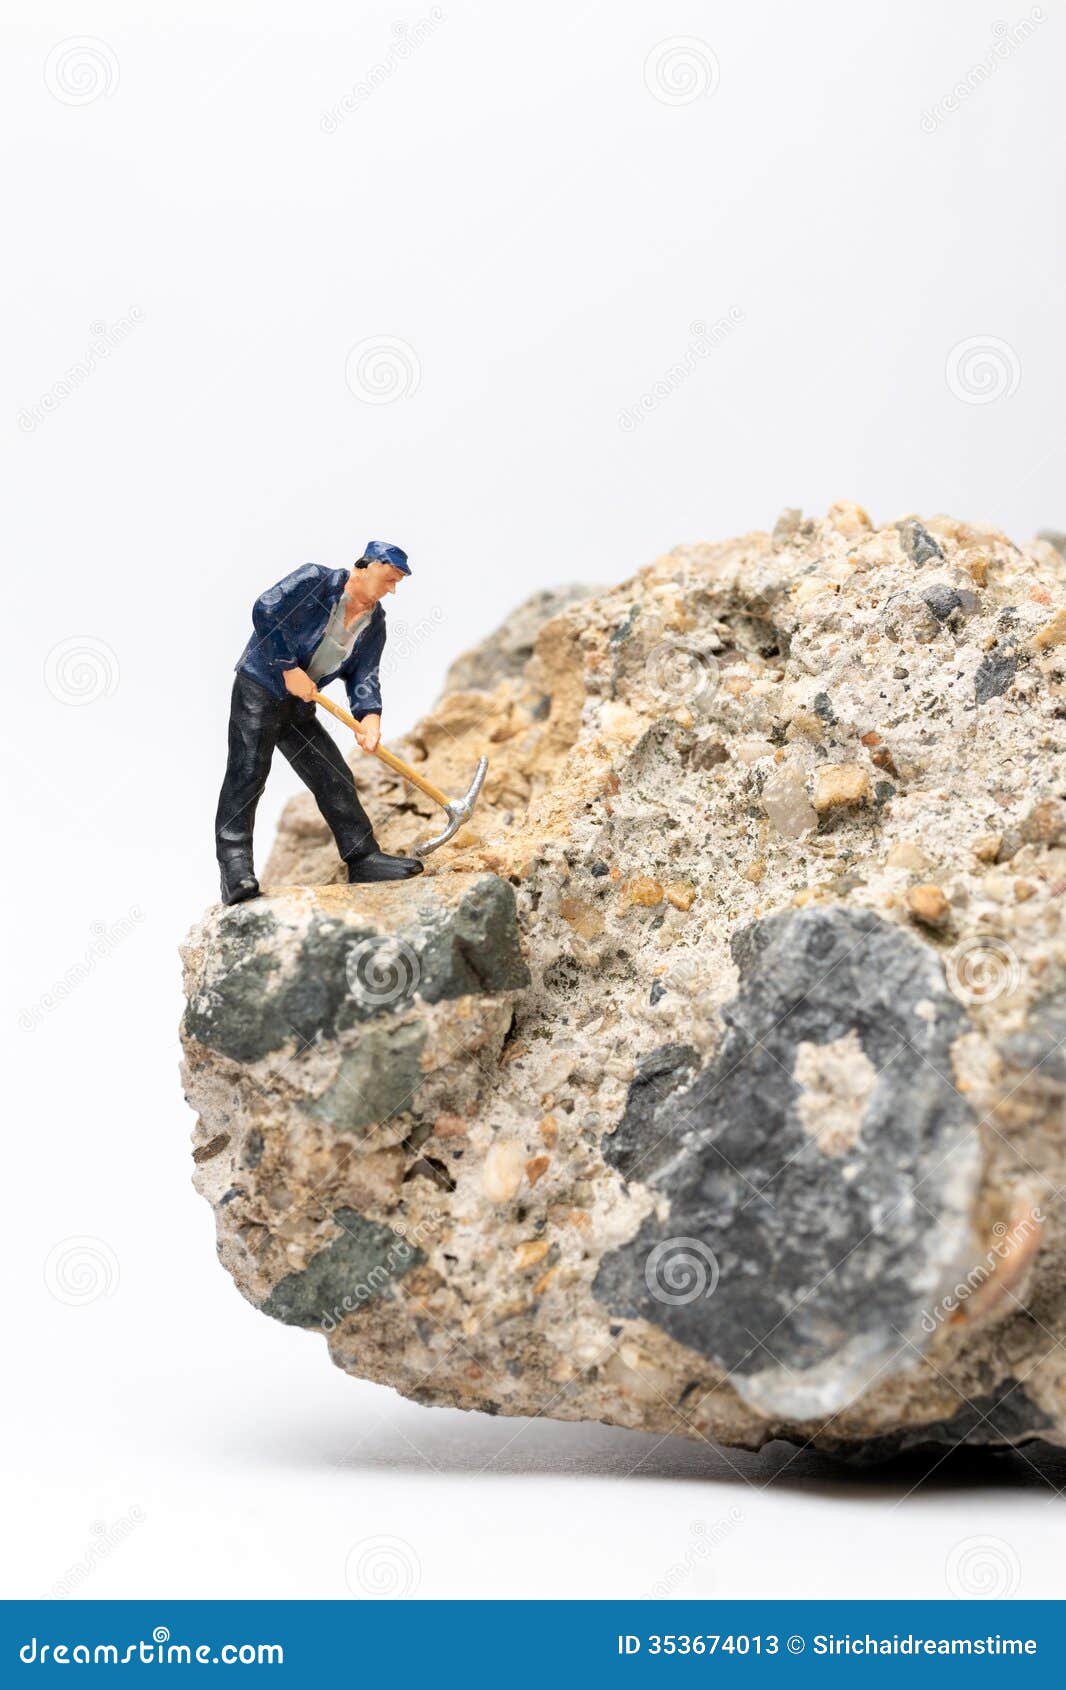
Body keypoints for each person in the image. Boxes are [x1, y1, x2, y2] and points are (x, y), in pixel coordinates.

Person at [214, 540, 423, 905]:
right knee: (247, 773)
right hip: (259, 689)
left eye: (396, 584)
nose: (391, 590)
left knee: (332, 774)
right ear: (363, 567)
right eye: (388, 580)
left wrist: (369, 717)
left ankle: (363, 858)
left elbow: (364, 675)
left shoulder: (375, 623)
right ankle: (235, 869)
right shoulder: (314, 581)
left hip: (300, 704)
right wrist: (286, 667)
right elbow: (265, 610)